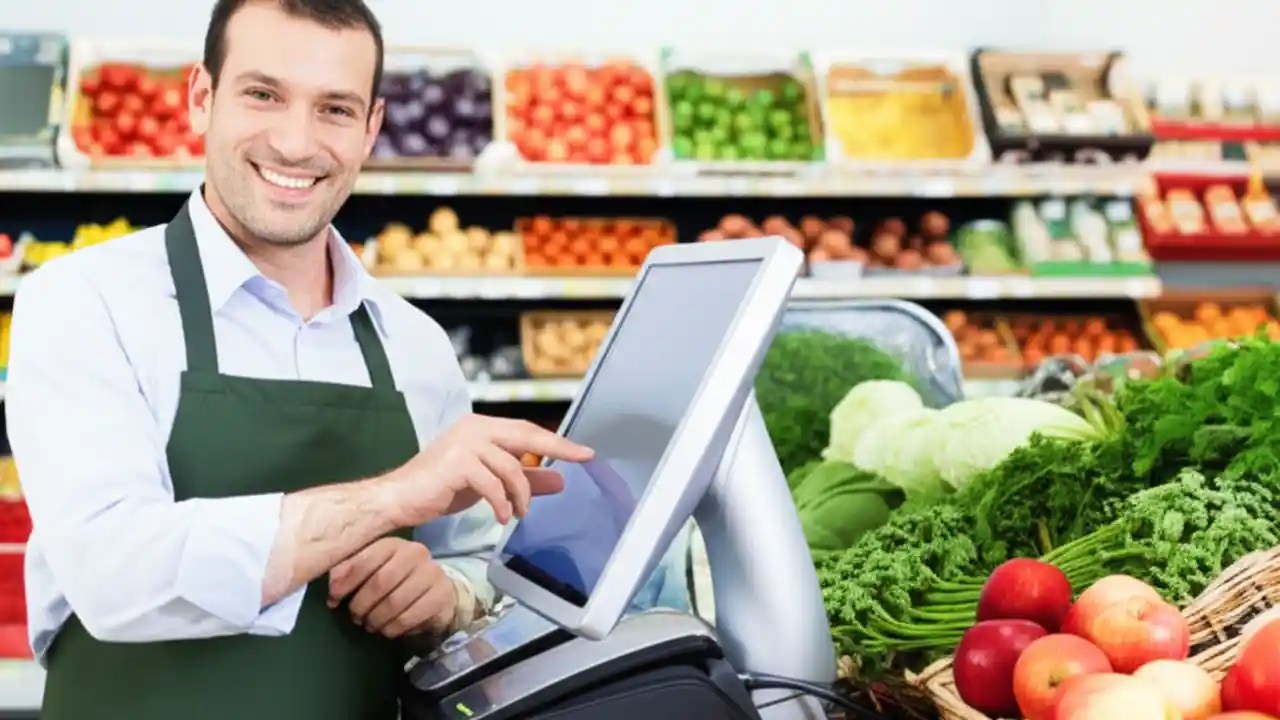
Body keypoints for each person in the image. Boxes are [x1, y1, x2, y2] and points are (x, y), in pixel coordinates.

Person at [3, 0, 593, 717]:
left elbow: (476, 563)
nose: (295, 142)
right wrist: (391, 497)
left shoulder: (414, 346)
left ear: (371, 128)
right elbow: (116, 574)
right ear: (201, 98)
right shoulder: (84, 303)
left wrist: (448, 594)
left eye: (335, 109)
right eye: (263, 94)